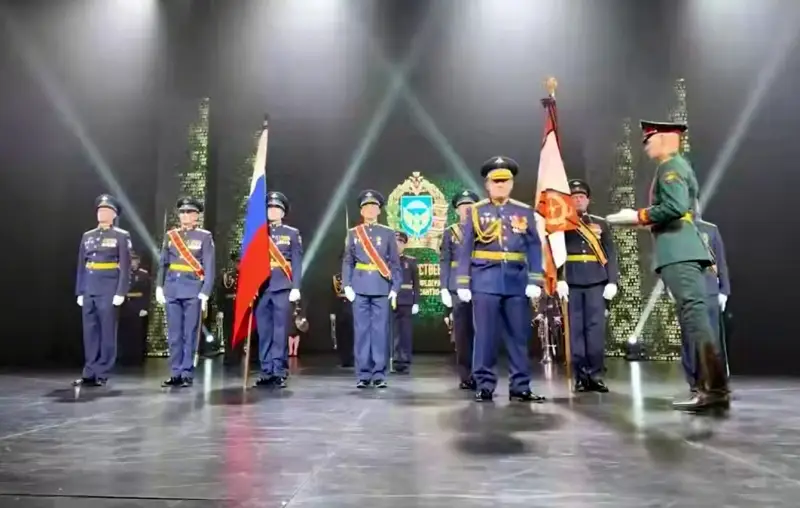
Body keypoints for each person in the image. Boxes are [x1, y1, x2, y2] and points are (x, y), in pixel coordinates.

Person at [607, 120, 729, 411]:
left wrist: (638, 216)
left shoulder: (670, 167)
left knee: (696, 321)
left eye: (650, 139)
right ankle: (708, 389)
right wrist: (640, 221)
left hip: (680, 251)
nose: (646, 145)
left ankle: (712, 390)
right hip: (680, 249)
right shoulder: (674, 166)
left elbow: (674, 208)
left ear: (665, 140)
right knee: (693, 319)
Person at [455, 156, 545, 403]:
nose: (500, 186)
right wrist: (463, 282)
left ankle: (520, 386)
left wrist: (535, 279)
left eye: (505, 181)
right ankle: (484, 384)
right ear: (487, 184)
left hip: (516, 280)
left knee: (518, 336)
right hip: (484, 280)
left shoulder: (523, 211)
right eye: (496, 181)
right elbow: (465, 250)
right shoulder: (476, 211)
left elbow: (534, 246)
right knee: (485, 336)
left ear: (512, 184)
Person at [558, 179, 619, 393]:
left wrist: (612, 280)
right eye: (574, 197)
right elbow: (556, 254)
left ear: (588, 199)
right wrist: (559, 279)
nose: (578, 199)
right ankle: (581, 377)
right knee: (576, 332)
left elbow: (611, 253)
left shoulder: (600, 222)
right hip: (572, 282)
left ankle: (596, 375)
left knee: (595, 331)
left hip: (596, 282)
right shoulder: (562, 224)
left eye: (581, 196)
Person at [342, 190, 402, 388]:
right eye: (366, 206)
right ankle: (363, 374)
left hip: (381, 286)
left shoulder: (387, 233)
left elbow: (394, 263)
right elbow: (347, 261)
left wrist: (395, 287)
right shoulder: (353, 233)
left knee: (380, 332)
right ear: (361, 210)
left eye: (373, 206)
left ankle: (379, 374)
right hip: (359, 286)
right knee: (361, 332)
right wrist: (347, 285)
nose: (370, 209)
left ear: (379, 210)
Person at [155, 197, 215, 388]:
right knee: (174, 334)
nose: (185, 215)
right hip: (172, 288)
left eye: (189, 212)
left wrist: (205, 292)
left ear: (197, 215)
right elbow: (163, 264)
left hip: (192, 290)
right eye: (182, 212)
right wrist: (159, 286)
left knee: (189, 333)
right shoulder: (170, 236)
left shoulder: (204, 237)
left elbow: (210, 266)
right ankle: (175, 372)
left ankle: (186, 372)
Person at [74, 194, 131, 387]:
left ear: (114, 215)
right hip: (89, 287)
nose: (101, 213)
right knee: (90, 331)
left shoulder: (121, 236)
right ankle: (89, 371)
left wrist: (121, 292)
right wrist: (80, 291)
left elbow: (125, 265)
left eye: (106, 210)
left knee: (107, 331)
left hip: (108, 287)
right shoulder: (88, 236)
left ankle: (102, 371)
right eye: (99, 210)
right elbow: (82, 265)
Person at [254, 191, 303, 388]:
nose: (272, 211)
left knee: (280, 331)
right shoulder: (258, 232)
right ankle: (266, 371)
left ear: (283, 212)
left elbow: (297, 262)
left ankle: (279, 371)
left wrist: (296, 286)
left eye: (276, 208)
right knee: (264, 331)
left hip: (282, 285)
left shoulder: (291, 233)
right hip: (262, 288)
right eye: (269, 208)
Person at [681, 200, 731, 391]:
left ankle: (715, 381)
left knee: (713, 339)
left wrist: (724, 290)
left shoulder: (710, 230)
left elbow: (721, 261)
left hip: (709, 290)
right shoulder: (674, 232)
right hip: (686, 290)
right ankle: (695, 382)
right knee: (690, 339)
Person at [439, 189, 479, 389]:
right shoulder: (450, 232)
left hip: (480, 284)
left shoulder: (483, 229)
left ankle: (481, 373)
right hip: (457, 287)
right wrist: (444, 287)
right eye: (463, 207)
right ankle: (466, 375)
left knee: (482, 332)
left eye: (470, 206)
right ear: (457, 210)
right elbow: (445, 260)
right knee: (463, 334)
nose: (467, 209)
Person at [391, 231, 419, 373]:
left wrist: (416, 302)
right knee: (393, 332)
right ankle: (394, 359)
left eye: (401, 242)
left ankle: (405, 359)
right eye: (396, 242)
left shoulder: (411, 261)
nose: (398, 245)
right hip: (392, 299)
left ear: (405, 244)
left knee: (406, 332)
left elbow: (416, 283)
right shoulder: (387, 261)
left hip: (407, 300)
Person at [118, 251, 151, 366]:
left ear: (139, 261)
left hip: (137, 307)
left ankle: (136, 358)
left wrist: (144, 308)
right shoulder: (122, 273)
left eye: (134, 259)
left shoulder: (143, 275)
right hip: (123, 307)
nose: (132, 262)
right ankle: (122, 357)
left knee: (137, 334)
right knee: (123, 333)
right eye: (130, 259)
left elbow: (147, 293)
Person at [332, 261, 354, 367]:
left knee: (353, 334)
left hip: (353, 306)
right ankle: (343, 359)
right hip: (340, 307)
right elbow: (334, 294)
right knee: (341, 335)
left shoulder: (355, 274)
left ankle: (353, 358)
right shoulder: (337, 277)